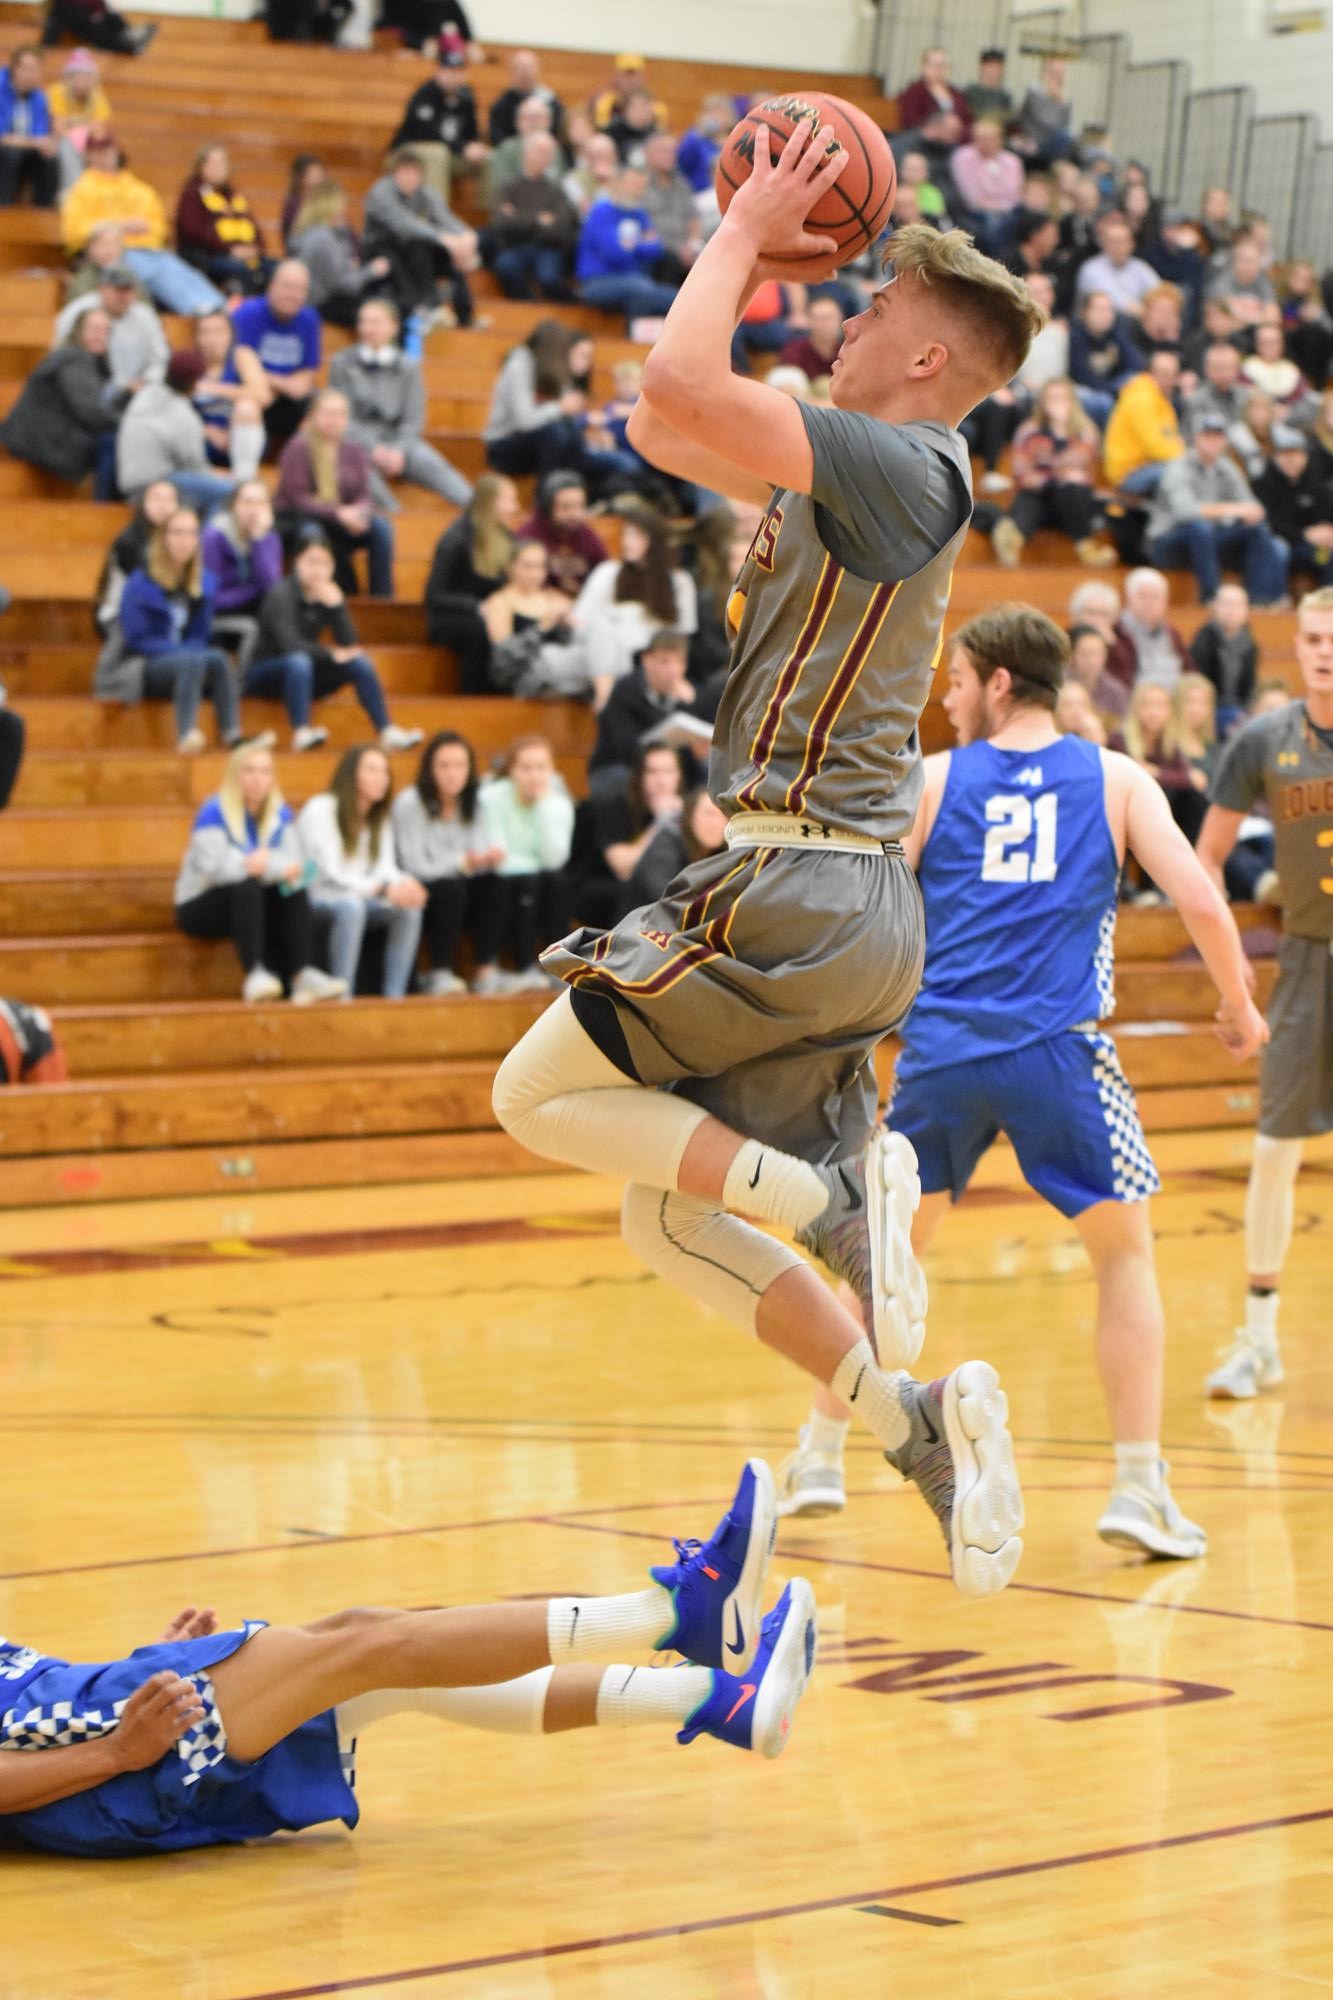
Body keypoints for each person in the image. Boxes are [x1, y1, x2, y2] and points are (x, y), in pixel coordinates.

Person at [490, 130, 1046, 1598]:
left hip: (804, 886)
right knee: (666, 1209)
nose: (846, 314)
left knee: (533, 1094)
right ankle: (916, 1433)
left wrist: (743, 221)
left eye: (873, 311)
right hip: (835, 905)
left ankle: (830, 1200)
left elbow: (679, 389)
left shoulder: (910, 464)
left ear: (926, 362)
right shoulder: (840, 463)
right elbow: (660, 426)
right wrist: (735, 257)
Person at [772, 605, 1266, 1549]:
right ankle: (1135, 1488)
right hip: (1059, 1054)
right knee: (1123, 1258)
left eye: (956, 682)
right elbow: (1199, 895)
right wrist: (1239, 1006)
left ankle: (819, 1458)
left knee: (888, 1269)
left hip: (942, 1055)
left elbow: (862, 911)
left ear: (999, 684)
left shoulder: (933, 781)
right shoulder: (1116, 777)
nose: (946, 699)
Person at [0, 1476, 815, 1860]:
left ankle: (710, 1698)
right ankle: (677, 1615)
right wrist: (116, 1752)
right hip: (115, 1772)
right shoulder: (111, 1756)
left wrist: (150, 1661)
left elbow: (29, 1706)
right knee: (374, 1650)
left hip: (109, 1734)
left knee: (379, 1650)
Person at [1196, 589, 1333, 1398]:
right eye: (1314, 637)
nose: (1324, 650)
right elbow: (1204, 859)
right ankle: (1256, 1340)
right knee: (1274, 1148)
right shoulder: (1260, 742)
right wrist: (1225, 969)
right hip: (1307, 960)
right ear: (1296, 643)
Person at [174, 741, 347, 1004]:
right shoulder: (213, 812)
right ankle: (255, 973)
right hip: (200, 902)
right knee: (247, 885)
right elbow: (216, 870)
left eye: (265, 772)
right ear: (235, 776)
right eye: (250, 771)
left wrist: (266, 865)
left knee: (292, 886)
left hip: (252, 902)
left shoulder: (281, 814)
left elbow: (297, 867)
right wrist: (263, 865)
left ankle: (303, 974)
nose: (258, 779)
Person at [248, 537, 419, 754]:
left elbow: (350, 646)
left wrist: (338, 607)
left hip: (305, 675)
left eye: (324, 564)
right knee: (298, 662)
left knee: (359, 663)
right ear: (296, 563)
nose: (317, 570)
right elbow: (289, 645)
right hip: (267, 672)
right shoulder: (280, 594)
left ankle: (386, 730)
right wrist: (330, 655)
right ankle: (301, 732)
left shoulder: (327, 594)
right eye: (311, 562)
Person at [97, 507, 241, 753]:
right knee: (192, 661)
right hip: (145, 663)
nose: (185, 541)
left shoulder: (204, 582)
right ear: (163, 538)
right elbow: (137, 638)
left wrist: (189, 652)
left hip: (186, 659)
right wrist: (181, 652)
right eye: (177, 533)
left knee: (218, 658)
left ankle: (233, 735)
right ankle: (186, 734)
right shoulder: (140, 583)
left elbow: (200, 635)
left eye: (191, 534)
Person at [297, 745, 426, 997]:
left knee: (409, 909)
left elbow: (386, 868)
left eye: (385, 772)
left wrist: (406, 885)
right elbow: (328, 871)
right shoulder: (321, 808)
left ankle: (394, 996)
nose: (381, 778)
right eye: (372, 770)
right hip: (315, 896)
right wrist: (382, 888)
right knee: (351, 906)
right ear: (351, 775)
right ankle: (343, 994)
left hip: (361, 896)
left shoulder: (379, 818)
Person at [329, 296, 472, 512]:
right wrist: (373, 448)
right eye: (364, 322)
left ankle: (478, 509)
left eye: (376, 322)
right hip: (357, 442)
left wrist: (398, 450)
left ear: (393, 327)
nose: (369, 328)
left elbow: (414, 418)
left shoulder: (408, 367)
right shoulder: (341, 363)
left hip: (400, 441)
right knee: (356, 466)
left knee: (434, 465)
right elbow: (341, 418)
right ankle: (396, 518)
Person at [61, 130, 224, 315]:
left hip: (151, 250)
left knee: (180, 269)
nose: (105, 155)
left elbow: (157, 227)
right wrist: (121, 227)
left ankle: (219, 305)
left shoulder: (136, 187)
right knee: (155, 272)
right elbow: (73, 233)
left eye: (108, 149)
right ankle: (200, 310)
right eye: (99, 150)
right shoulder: (81, 190)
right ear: (89, 155)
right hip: (116, 253)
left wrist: (128, 229)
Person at [391, 731, 503, 994]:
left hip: (459, 884)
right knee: (451, 888)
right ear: (429, 769)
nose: (452, 773)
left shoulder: (475, 802)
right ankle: (439, 971)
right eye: (444, 766)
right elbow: (412, 864)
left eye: (460, 765)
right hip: (422, 887)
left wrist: (487, 859)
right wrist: (461, 863)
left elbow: (476, 853)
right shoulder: (410, 803)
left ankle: (485, 969)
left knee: (496, 883)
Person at [1145, 414, 1290, 609]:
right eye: (1207, 436)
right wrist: (1234, 510)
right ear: (1196, 438)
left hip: (1210, 541)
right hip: (1169, 542)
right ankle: (1211, 597)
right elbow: (1186, 512)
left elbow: (1253, 508)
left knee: (1257, 529)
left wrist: (1245, 512)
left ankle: (1262, 599)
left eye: (1218, 437)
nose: (1213, 442)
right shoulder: (1178, 467)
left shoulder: (1227, 467)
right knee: (1199, 528)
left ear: (1225, 441)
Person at [475, 735, 574, 993]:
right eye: (526, 768)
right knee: (516, 883)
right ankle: (499, 966)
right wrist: (528, 865)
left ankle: (556, 965)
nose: (534, 776)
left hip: (537, 877)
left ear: (552, 770)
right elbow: (498, 856)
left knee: (558, 882)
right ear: (512, 770)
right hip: (500, 878)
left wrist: (543, 807)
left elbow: (555, 859)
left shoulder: (559, 805)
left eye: (541, 768)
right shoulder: (490, 798)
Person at [275, 391, 394, 600]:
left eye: (340, 414)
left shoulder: (354, 450)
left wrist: (359, 512)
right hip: (299, 518)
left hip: (341, 519)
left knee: (381, 528)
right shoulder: (299, 446)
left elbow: (364, 494)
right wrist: (338, 513)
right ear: (314, 416)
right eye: (328, 413)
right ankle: (316, 597)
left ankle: (382, 599)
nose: (334, 420)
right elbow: (296, 498)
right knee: (313, 531)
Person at [992, 378, 1113, 570]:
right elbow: (1023, 474)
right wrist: (1056, 477)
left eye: (1064, 398)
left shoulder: (1086, 432)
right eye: (1054, 399)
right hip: (1039, 495)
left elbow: (1086, 474)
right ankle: (1012, 540)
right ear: (1043, 403)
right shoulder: (1028, 432)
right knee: (1031, 500)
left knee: (1072, 491)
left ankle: (1085, 545)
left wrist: (1053, 471)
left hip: (1071, 502)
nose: (1060, 404)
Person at [564, 743, 687, 930]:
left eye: (669, 771)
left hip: (652, 883)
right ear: (639, 776)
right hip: (596, 886)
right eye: (653, 772)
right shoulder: (615, 805)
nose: (662, 781)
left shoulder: (688, 807)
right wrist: (662, 822)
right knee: (639, 892)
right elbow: (624, 870)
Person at [0, 305, 118, 498]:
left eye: (106, 331)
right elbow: (90, 412)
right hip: (43, 445)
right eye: (95, 329)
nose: (100, 335)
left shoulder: (78, 359)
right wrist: (128, 422)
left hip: (38, 441)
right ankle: (104, 505)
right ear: (79, 331)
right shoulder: (74, 360)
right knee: (111, 442)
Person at [423, 473, 521, 691]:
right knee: (480, 631)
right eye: (509, 500)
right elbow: (434, 595)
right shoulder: (456, 539)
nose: (515, 508)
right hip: (451, 618)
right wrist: (477, 606)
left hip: (494, 612)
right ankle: (475, 697)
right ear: (490, 501)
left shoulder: (508, 538)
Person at [363, 149, 479, 328]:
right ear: (394, 174)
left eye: (414, 173)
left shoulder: (426, 192)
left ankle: (465, 316)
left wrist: (466, 234)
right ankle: (427, 307)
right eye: (404, 172)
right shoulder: (381, 193)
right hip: (381, 247)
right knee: (421, 247)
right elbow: (404, 223)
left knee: (445, 254)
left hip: (410, 245)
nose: (410, 178)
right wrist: (444, 239)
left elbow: (444, 217)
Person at [116, 350, 239, 516]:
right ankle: (209, 541)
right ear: (194, 383)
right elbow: (196, 467)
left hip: (128, 483)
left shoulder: (145, 394)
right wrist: (221, 476)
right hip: (156, 484)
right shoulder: (183, 415)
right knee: (230, 493)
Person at [588, 627, 714, 786]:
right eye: (664, 661)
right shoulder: (625, 691)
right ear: (646, 660)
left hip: (671, 771)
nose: (672, 670)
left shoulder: (692, 696)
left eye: (679, 662)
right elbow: (625, 748)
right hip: (622, 768)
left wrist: (698, 749)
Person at [230, 260, 322, 457]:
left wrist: (269, 379)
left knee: (326, 412)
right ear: (272, 286)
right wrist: (283, 383)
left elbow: (304, 383)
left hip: (288, 402)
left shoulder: (309, 319)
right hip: (248, 396)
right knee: (249, 405)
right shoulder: (248, 313)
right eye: (287, 287)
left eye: (299, 289)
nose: (293, 295)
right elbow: (244, 370)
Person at [289, 183, 409, 331]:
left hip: (332, 294)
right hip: (325, 303)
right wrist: (372, 271)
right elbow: (344, 286)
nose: (344, 211)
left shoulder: (315, 232)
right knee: (393, 309)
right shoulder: (323, 238)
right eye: (341, 206)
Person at [483, 320, 593, 481]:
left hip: (534, 443)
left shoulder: (551, 370)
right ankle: (546, 498)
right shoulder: (519, 366)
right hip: (502, 445)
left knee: (571, 431)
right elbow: (524, 421)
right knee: (554, 432)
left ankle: (570, 489)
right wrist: (560, 407)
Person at [576, 164, 678, 329]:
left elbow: (657, 249)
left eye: (641, 186)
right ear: (618, 183)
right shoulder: (601, 211)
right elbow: (614, 253)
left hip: (637, 280)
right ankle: (632, 340)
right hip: (599, 281)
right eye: (633, 185)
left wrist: (633, 246)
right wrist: (641, 244)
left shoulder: (639, 214)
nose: (638, 191)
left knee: (673, 296)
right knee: (641, 289)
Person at [480, 540, 585, 699]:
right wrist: (542, 627)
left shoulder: (554, 598)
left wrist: (566, 628)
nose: (535, 574)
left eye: (540, 567)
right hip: (523, 678)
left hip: (559, 672)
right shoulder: (500, 602)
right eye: (528, 567)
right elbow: (503, 661)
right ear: (511, 567)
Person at [201, 477, 284, 673]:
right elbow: (211, 598)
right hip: (217, 615)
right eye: (247, 502)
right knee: (252, 626)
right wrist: (253, 590)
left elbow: (273, 588)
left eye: (260, 503)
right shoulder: (213, 537)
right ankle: (239, 685)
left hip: (253, 610)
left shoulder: (268, 537)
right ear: (234, 505)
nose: (253, 509)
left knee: (282, 610)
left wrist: (258, 540)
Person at [53, 261, 167, 399]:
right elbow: (60, 354)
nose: (124, 296)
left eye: (128, 290)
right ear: (102, 289)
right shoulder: (78, 311)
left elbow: (161, 360)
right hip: (84, 389)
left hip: (135, 395)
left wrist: (146, 381)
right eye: (118, 290)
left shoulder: (146, 317)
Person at [1116, 678, 1209, 845]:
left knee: (1194, 799)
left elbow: (1193, 779)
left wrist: (1156, 772)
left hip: (1166, 819)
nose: (1153, 712)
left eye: (1160, 706)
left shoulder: (1168, 744)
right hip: (1129, 816)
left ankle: (1194, 858)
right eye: (1147, 705)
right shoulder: (1119, 741)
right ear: (1135, 709)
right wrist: (1177, 777)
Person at [489, 133, 579, 301]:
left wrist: (521, 219)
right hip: (515, 247)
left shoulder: (556, 189)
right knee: (505, 266)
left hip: (548, 248)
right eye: (541, 152)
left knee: (549, 278)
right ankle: (530, 305)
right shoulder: (509, 187)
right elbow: (502, 224)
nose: (545, 158)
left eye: (549, 153)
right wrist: (539, 220)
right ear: (526, 153)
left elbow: (562, 227)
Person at [389, 50, 488, 203]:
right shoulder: (425, 94)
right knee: (438, 153)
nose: (454, 76)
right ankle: (436, 215)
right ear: (438, 71)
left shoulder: (466, 97)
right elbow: (426, 133)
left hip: (451, 152)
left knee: (490, 158)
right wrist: (462, 147)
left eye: (459, 71)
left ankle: (489, 216)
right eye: (449, 71)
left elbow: (472, 133)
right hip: (410, 150)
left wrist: (475, 147)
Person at [175, 144, 268, 297]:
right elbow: (192, 230)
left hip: (245, 254)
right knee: (240, 270)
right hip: (210, 256)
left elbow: (254, 227)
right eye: (213, 163)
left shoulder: (234, 195)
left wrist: (256, 248)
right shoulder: (192, 194)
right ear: (200, 166)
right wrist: (230, 250)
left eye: (222, 163)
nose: (219, 168)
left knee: (275, 269)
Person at [1254, 425, 1333, 591]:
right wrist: (1304, 534)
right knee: (1277, 548)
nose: (1290, 460)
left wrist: (1326, 532)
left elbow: (1326, 516)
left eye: (1295, 454)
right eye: (1285, 454)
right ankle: (1275, 601)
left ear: (1305, 456)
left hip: (1314, 547)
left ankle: (1328, 601)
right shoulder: (1263, 484)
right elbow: (1269, 523)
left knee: (1326, 554)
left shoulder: (1317, 484)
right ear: (1275, 457)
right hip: (1283, 544)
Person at [190, 309, 266, 478]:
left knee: (247, 408)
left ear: (231, 334)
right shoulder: (190, 362)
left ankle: (243, 480)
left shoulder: (241, 356)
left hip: (239, 436)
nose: (212, 339)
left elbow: (262, 395)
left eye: (218, 332)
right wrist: (206, 431)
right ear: (197, 337)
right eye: (205, 332)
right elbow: (174, 411)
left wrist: (213, 388)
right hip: (201, 439)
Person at [96, 476, 177, 630]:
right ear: (143, 504)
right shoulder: (128, 541)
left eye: (169, 500)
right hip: (120, 613)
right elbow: (144, 589)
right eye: (157, 499)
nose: (163, 506)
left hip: (165, 612)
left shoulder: (182, 538)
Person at [1104, 348, 1185, 495]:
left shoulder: (1162, 400)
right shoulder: (1141, 400)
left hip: (1150, 465)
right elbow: (1155, 448)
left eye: (1173, 375)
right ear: (1150, 373)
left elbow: (1171, 438)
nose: (1170, 381)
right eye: (1164, 374)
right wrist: (1186, 456)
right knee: (1181, 471)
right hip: (1128, 474)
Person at [518, 472, 608, 597]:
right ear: (548, 507)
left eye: (579, 506)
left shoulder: (587, 536)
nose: (575, 514)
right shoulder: (528, 536)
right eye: (566, 507)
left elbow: (604, 575)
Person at [1183, 340, 1265, 476]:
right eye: (1219, 368)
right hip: (1209, 457)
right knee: (1237, 432)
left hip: (1245, 453)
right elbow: (1195, 438)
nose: (1225, 373)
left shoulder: (1246, 395)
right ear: (1207, 369)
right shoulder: (1197, 400)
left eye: (1230, 367)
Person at [1187, 580, 1258, 731]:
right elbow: (1198, 682)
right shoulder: (1203, 641)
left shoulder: (1251, 644)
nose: (1231, 610)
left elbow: (1250, 687)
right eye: (1226, 604)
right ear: (1215, 608)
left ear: (1246, 611)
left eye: (1237, 605)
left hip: (1239, 710)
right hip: (1209, 708)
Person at [1069, 289, 1145, 426]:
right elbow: (1083, 376)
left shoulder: (1115, 333)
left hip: (1110, 388)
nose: (1106, 315)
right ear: (1085, 313)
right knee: (1104, 402)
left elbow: (1137, 363)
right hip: (1084, 390)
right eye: (1100, 310)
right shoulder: (1076, 337)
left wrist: (1118, 336)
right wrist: (1114, 389)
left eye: (1109, 310)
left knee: (1140, 384)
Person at [949, 118, 1024, 254]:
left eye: (990, 138)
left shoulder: (1013, 161)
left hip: (1009, 211)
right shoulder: (964, 157)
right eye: (981, 138)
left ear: (1000, 139)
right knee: (995, 223)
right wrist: (998, 200)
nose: (985, 143)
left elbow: (1014, 194)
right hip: (976, 213)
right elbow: (972, 196)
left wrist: (996, 201)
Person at [0, 46, 59, 208]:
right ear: (13, 68)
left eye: (35, 70)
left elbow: (39, 135)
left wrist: (49, 143)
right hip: (5, 151)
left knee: (48, 159)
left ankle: (43, 212)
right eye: (25, 68)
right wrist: (36, 142)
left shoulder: (39, 97)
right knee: (10, 155)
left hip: (23, 150)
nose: (30, 75)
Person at [1116, 566, 1188, 690]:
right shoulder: (1116, 633)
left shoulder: (1172, 634)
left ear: (1165, 602)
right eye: (1143, 596)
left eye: (1155, 597)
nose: (1148, 603)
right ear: (1127, 599)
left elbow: (1189, 671)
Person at [488, 47, 565, 150]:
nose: (525, 72)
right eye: (519, 68)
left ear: (537, 69)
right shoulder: (501, 105)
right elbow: (498, 139)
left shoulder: (551, 101)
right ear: (511, 72)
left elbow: (560, 132)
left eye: (529, 67)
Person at [897, 46, 972, 137]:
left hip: (956, 142)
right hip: (925, 141)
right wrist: (940, 126)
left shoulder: (956, 93)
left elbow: (967, 121)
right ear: (924, 66)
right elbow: (909, 122)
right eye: (934, 65)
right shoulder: (915, 91)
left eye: (943, 66)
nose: (938, 70)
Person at [1015, 55, 1074, 163]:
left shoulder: (1066, 100)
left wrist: (1060, 101)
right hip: (1032, 140)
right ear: (1045, 72)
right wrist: (1057, 102)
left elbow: (1065, 125)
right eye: (1053, 72)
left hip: (1051, 143)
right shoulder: (1034, 90)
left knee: (1068, 138)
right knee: (1064, 136)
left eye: (1060, 73)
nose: (1057, 76)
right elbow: (1045, 121)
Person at [778, 295, 844, 383]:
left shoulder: (848, 352)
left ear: (840, 319)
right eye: (819, 319)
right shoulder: (795, 350)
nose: (825, 324)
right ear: (808, 321)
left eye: (829, 318)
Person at [676, 92, 733, 195]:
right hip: (699, 195)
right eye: (711, 113)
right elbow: (681, 164)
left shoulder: (735, 139)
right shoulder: (695, 138)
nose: (716, 117)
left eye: (720, 113)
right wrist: (700, 134)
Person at [1054, 676, 1107, 743]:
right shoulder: (1052, 739)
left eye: (1081, 704)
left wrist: (1096, 736)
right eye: (1068, 705)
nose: (1075, 711)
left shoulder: (1112, 738)